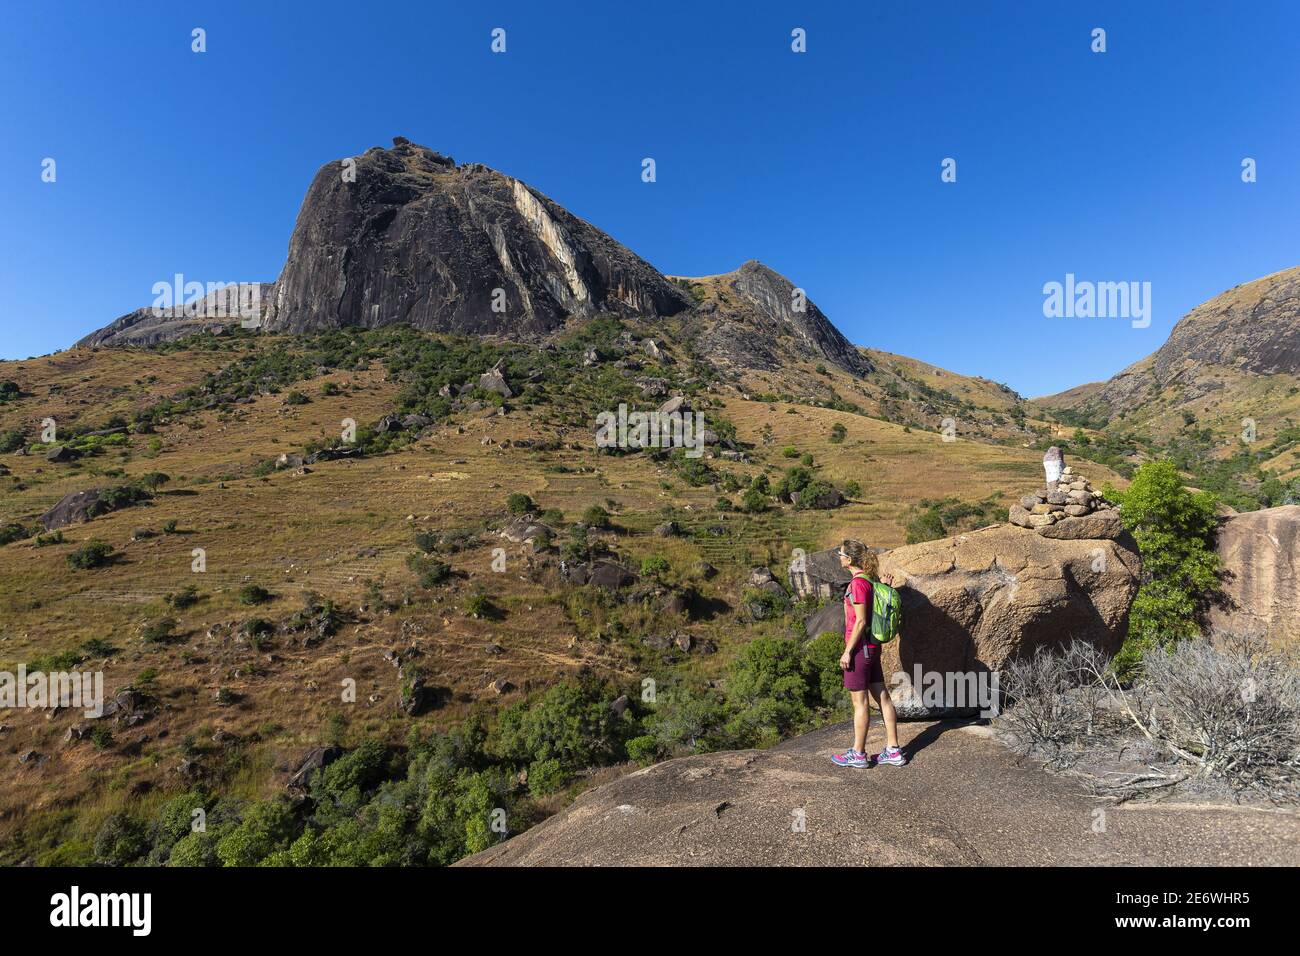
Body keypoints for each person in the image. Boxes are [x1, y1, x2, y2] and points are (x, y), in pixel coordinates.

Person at [830, 539, 906, 768]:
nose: (839, 557)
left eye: (841, 554)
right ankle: (893, 750)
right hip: (871, 648)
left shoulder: (857, 585)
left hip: (860, 650)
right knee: (882, 696)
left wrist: (847, 652)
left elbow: (861, 621)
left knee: (860, 703)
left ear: (850, 559)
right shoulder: (870, 582)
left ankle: (858, 753)